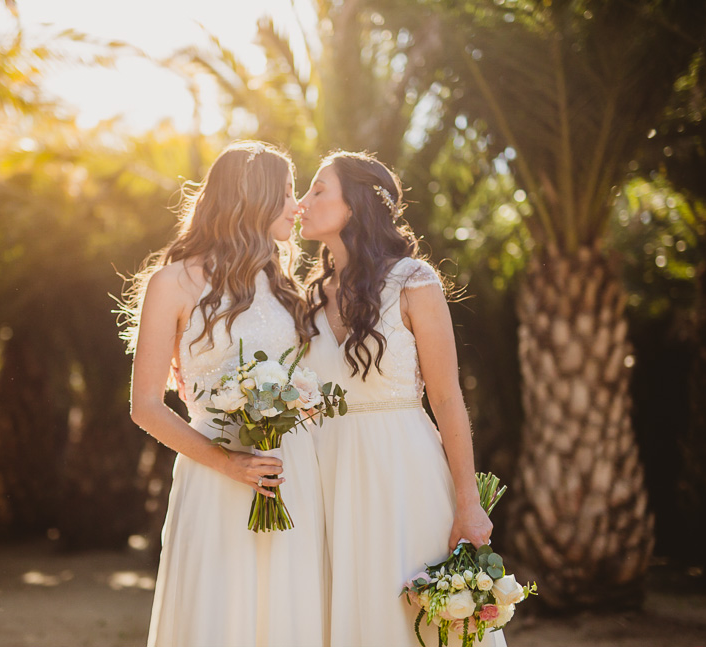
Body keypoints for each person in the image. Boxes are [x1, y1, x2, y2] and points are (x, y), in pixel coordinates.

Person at [299, 151, 505, 647]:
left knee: (411, 614)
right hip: (326, 474)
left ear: (355, 204)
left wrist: (468, 503)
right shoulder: (308, 297)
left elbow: (448, 398)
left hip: (403, 472)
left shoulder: (414, 280)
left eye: (318, 189)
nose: (302, 202)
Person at [126, 141, 328, 647]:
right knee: (219, 616)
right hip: (214, 475)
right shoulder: (172, 283)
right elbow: (145, 406)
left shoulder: (287, 287)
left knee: (289, 616)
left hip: (292, 470)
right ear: (252, 196)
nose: (297, 206)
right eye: (287, 192)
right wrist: (228, 463)